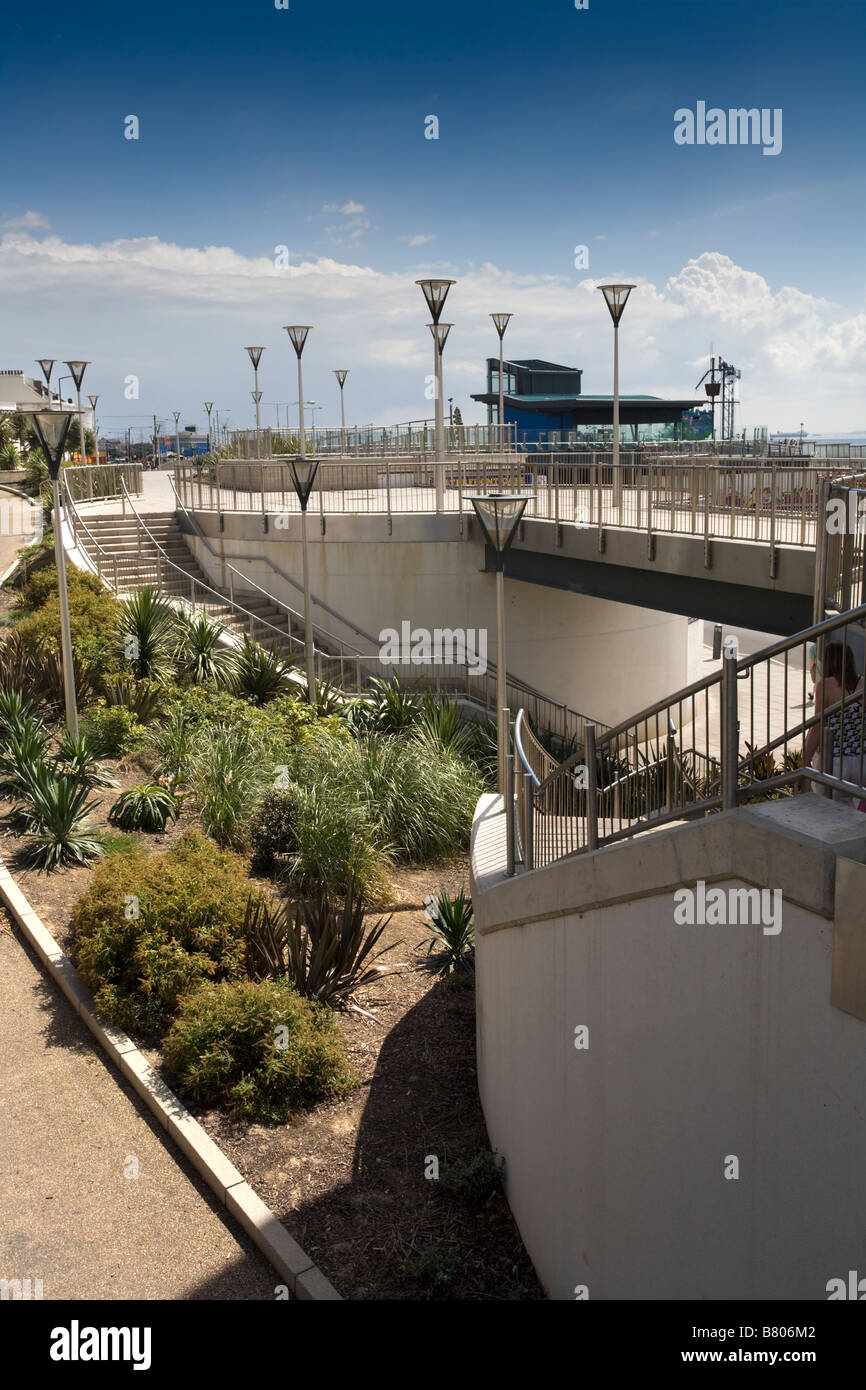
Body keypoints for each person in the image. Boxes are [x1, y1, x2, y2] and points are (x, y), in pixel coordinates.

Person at [804, 641, 866, 808]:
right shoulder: (863, 683)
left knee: (831, 811)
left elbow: (817, 728)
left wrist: (805, 760)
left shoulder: (826, 686)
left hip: (835, 762)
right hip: (862, 761)